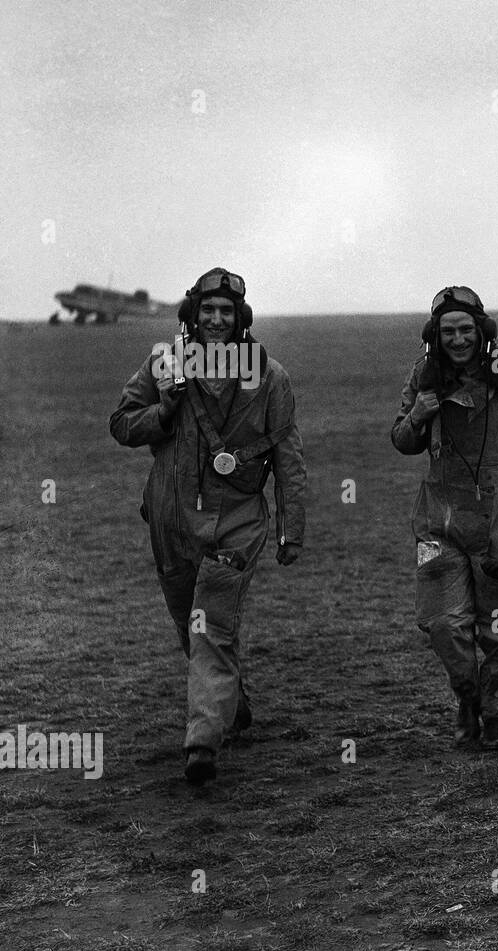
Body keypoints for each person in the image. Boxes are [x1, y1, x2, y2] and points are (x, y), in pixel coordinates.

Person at [109, 268, 306, 785]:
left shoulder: (267, 376)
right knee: (188, 626)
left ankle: (201, 741)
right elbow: (123, 425)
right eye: (207, 310)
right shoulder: (165, 363)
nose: (215, 319)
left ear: (239, 318)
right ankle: (229, 702)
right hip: (171, 522)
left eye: (226, 311)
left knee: (209, 627)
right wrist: (166, 406)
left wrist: (293, 529)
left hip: (235, 523)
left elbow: (288, 456)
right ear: (192, 315)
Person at [392, 286, 498, 751]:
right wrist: (418, 415)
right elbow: (402, 440)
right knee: (442, 623)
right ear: (435, 335)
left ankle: (496, 714)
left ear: (482, 331)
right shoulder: (424, 378)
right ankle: (467, 696)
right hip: (440, 518)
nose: (457, 339)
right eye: (447, 330)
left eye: (465, 329)